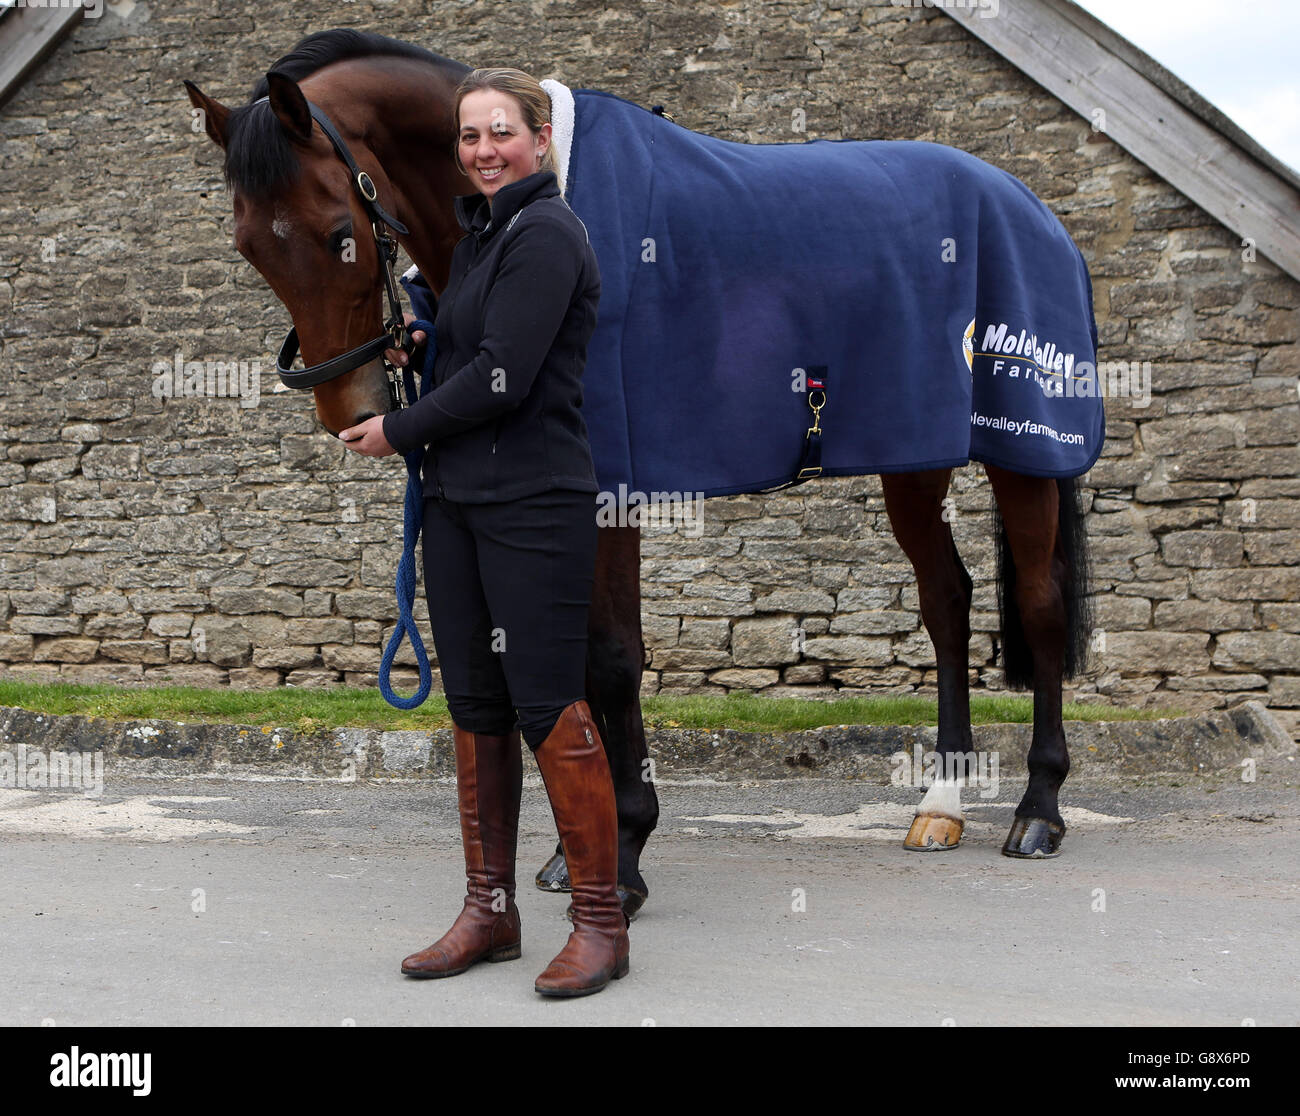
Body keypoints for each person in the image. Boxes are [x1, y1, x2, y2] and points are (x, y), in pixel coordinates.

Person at [337, 67, 627, 997]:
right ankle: (489, 909)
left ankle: (600, 921)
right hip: (461, 503)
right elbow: (474, 349)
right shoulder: (484, 237)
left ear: (540, 139)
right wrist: (425, 347)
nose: (484, 151)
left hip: (534, 503)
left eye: (501, 132)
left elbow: (506, 377)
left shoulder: (547, 232)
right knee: (477, 705)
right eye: (469, 137)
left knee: (547, 703)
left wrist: (398, 430)